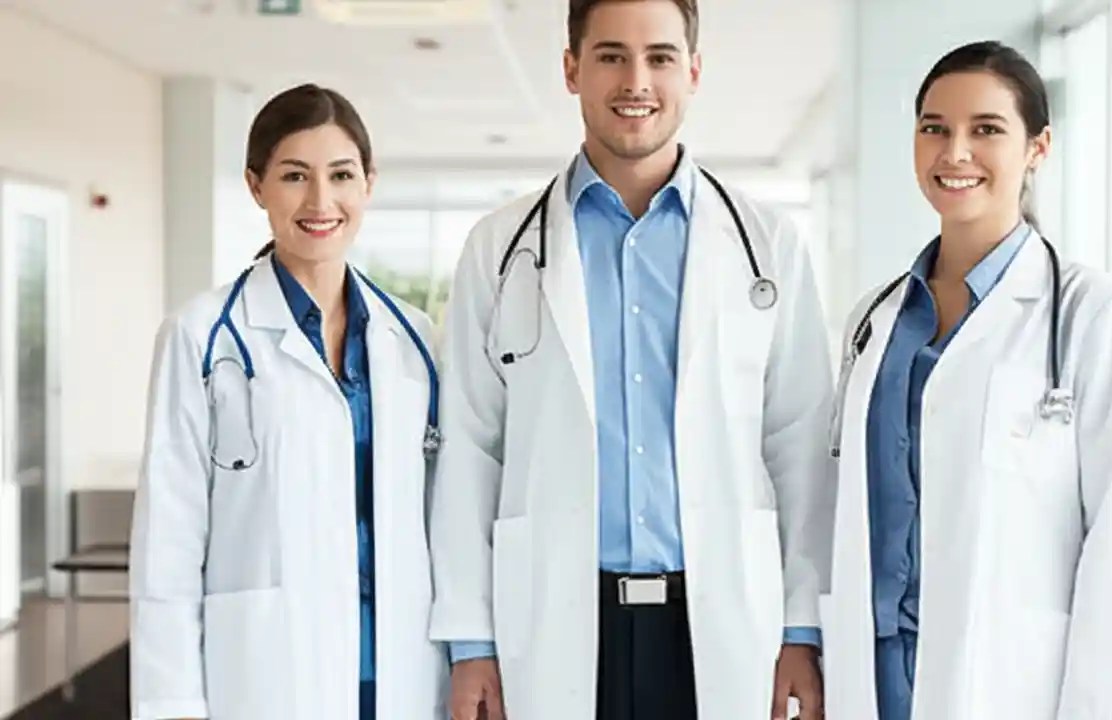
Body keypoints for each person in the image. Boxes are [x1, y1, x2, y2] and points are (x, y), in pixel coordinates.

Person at [428, 1, 834, 718]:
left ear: (694, 71)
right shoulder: (498, 250)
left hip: (719, 623)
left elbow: (799, 444)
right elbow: (470, 448)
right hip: (557, 622)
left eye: (661, 57)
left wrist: (801, 630)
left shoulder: (768, 245)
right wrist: (470, 642)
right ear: (571, 69)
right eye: (611, 55)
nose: (636, 79)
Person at [819, 41, 1112, 720]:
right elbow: (843, 507)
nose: (955, 153)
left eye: (987, 130)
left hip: (1009, 681)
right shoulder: (874, 321)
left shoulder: (1093, 314)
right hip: (875, 673)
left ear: (1038, 147)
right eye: (934, 128)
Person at [129, 83, 449, 720]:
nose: (320, 201)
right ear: (256, 186)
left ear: (368, 184)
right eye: (294, 176)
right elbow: (166, 549)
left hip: (402, 674)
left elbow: (445, 520)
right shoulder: (202, 337)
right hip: (267, 677)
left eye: (341, 175)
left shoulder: (415, 341)